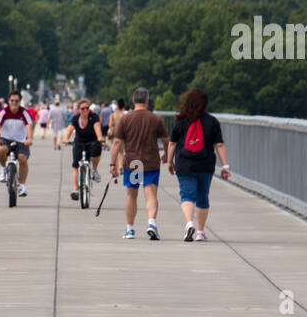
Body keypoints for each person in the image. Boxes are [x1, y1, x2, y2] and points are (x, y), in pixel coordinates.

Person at [166, 88, 231, 241]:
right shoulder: (212, 121)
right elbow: (219, 145)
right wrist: (225, 166)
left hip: (184, 164)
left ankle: (189, 223)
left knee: (187, 195)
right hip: (205, 165)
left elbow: (172, 143)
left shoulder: (181, 121)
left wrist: (169, 161)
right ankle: (200, 232)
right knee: (203, 197)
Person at [108, 87, 169, 240]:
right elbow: (166, 140)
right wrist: (167, 155)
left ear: (133, 101)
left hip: (132, 162)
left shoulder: (125, 119)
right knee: (151, 194)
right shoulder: (155, 119)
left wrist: (112, 164)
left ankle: (130, 229)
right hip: (151, 161)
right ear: (147, 101)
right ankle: (151, 223)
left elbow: (116, 142)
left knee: (131, 195)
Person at [0, 90, 35, 196]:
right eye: (12, 100)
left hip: (21, 141)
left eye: (17, 101)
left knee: (22, 159)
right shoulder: (4, 112)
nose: (14, 103)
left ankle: (22, 186)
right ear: (8, 101)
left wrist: (29, 139)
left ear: (20, 102)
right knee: (0, 149)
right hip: (5, 139)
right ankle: (3, 169)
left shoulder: (24, 112)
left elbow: (29, 126)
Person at [59, 98, 106, 196]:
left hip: (92, 141)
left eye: (87, 108)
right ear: (78, 110)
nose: (85, 110)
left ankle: (94, 170)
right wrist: (66, 139)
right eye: (83, 108)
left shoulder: (94, 117)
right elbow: (70, 129)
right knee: (76, 166)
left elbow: (97, 128)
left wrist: (100, 138)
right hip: (79, 143)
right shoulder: (75, 118)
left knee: (97, 149)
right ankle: (76, 190)